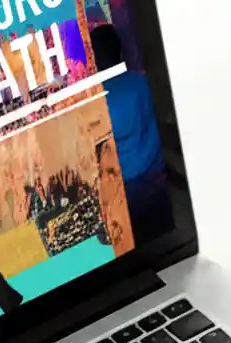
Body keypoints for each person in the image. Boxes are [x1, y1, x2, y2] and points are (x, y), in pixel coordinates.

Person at [90, 24, 174, 238]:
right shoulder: (142, 83)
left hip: (125, 191)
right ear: (119, 50)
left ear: (94, 59)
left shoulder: (96, 102)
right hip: (157, 180)